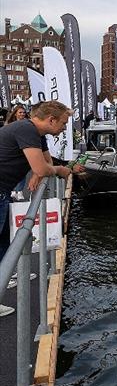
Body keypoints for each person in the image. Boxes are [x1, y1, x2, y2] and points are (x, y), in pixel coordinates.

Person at [1, 101, 81, 317]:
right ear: (51, 120)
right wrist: (54, 170)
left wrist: (44, 170)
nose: (64, 128)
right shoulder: (26, 129)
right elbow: (42, 167)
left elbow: (45, 163)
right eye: (63, 123)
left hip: (3, 192)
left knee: (4, 241)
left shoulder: (37, 134)